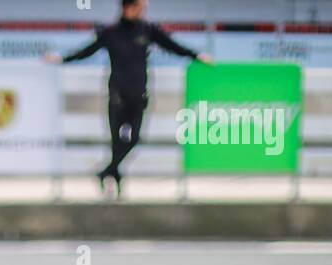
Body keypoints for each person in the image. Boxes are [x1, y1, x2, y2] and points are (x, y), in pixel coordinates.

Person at [46, 0, 212, 197]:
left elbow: (172, 45)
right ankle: (114, 182)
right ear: (128, 7)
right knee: (116, 141)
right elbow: (86, 51)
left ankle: (107, 172)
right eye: (139, 7)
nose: (142, 11)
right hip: (117, 95)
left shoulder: (147, 30)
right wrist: (62, 59)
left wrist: (196, 56)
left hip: (138, 94)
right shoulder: (110, 32)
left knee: (134, 138)